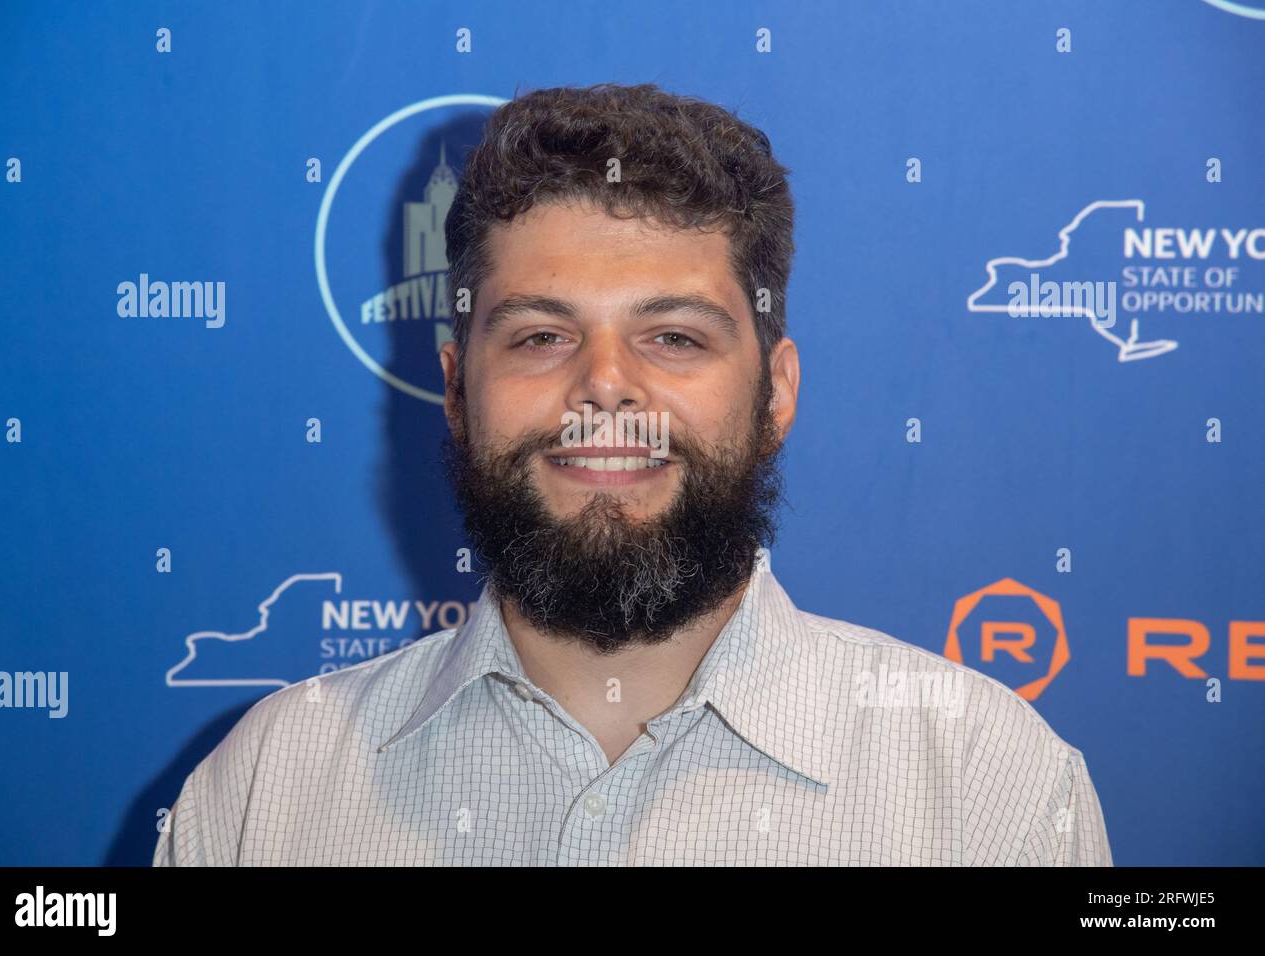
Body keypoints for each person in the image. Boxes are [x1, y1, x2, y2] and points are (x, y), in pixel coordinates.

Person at [154, 83, 1111, 866]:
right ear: (454, 390)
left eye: (673, 337)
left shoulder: (992, 788)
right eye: (540, 335)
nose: (606, 388)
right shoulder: (266, 792)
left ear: (775, 394)